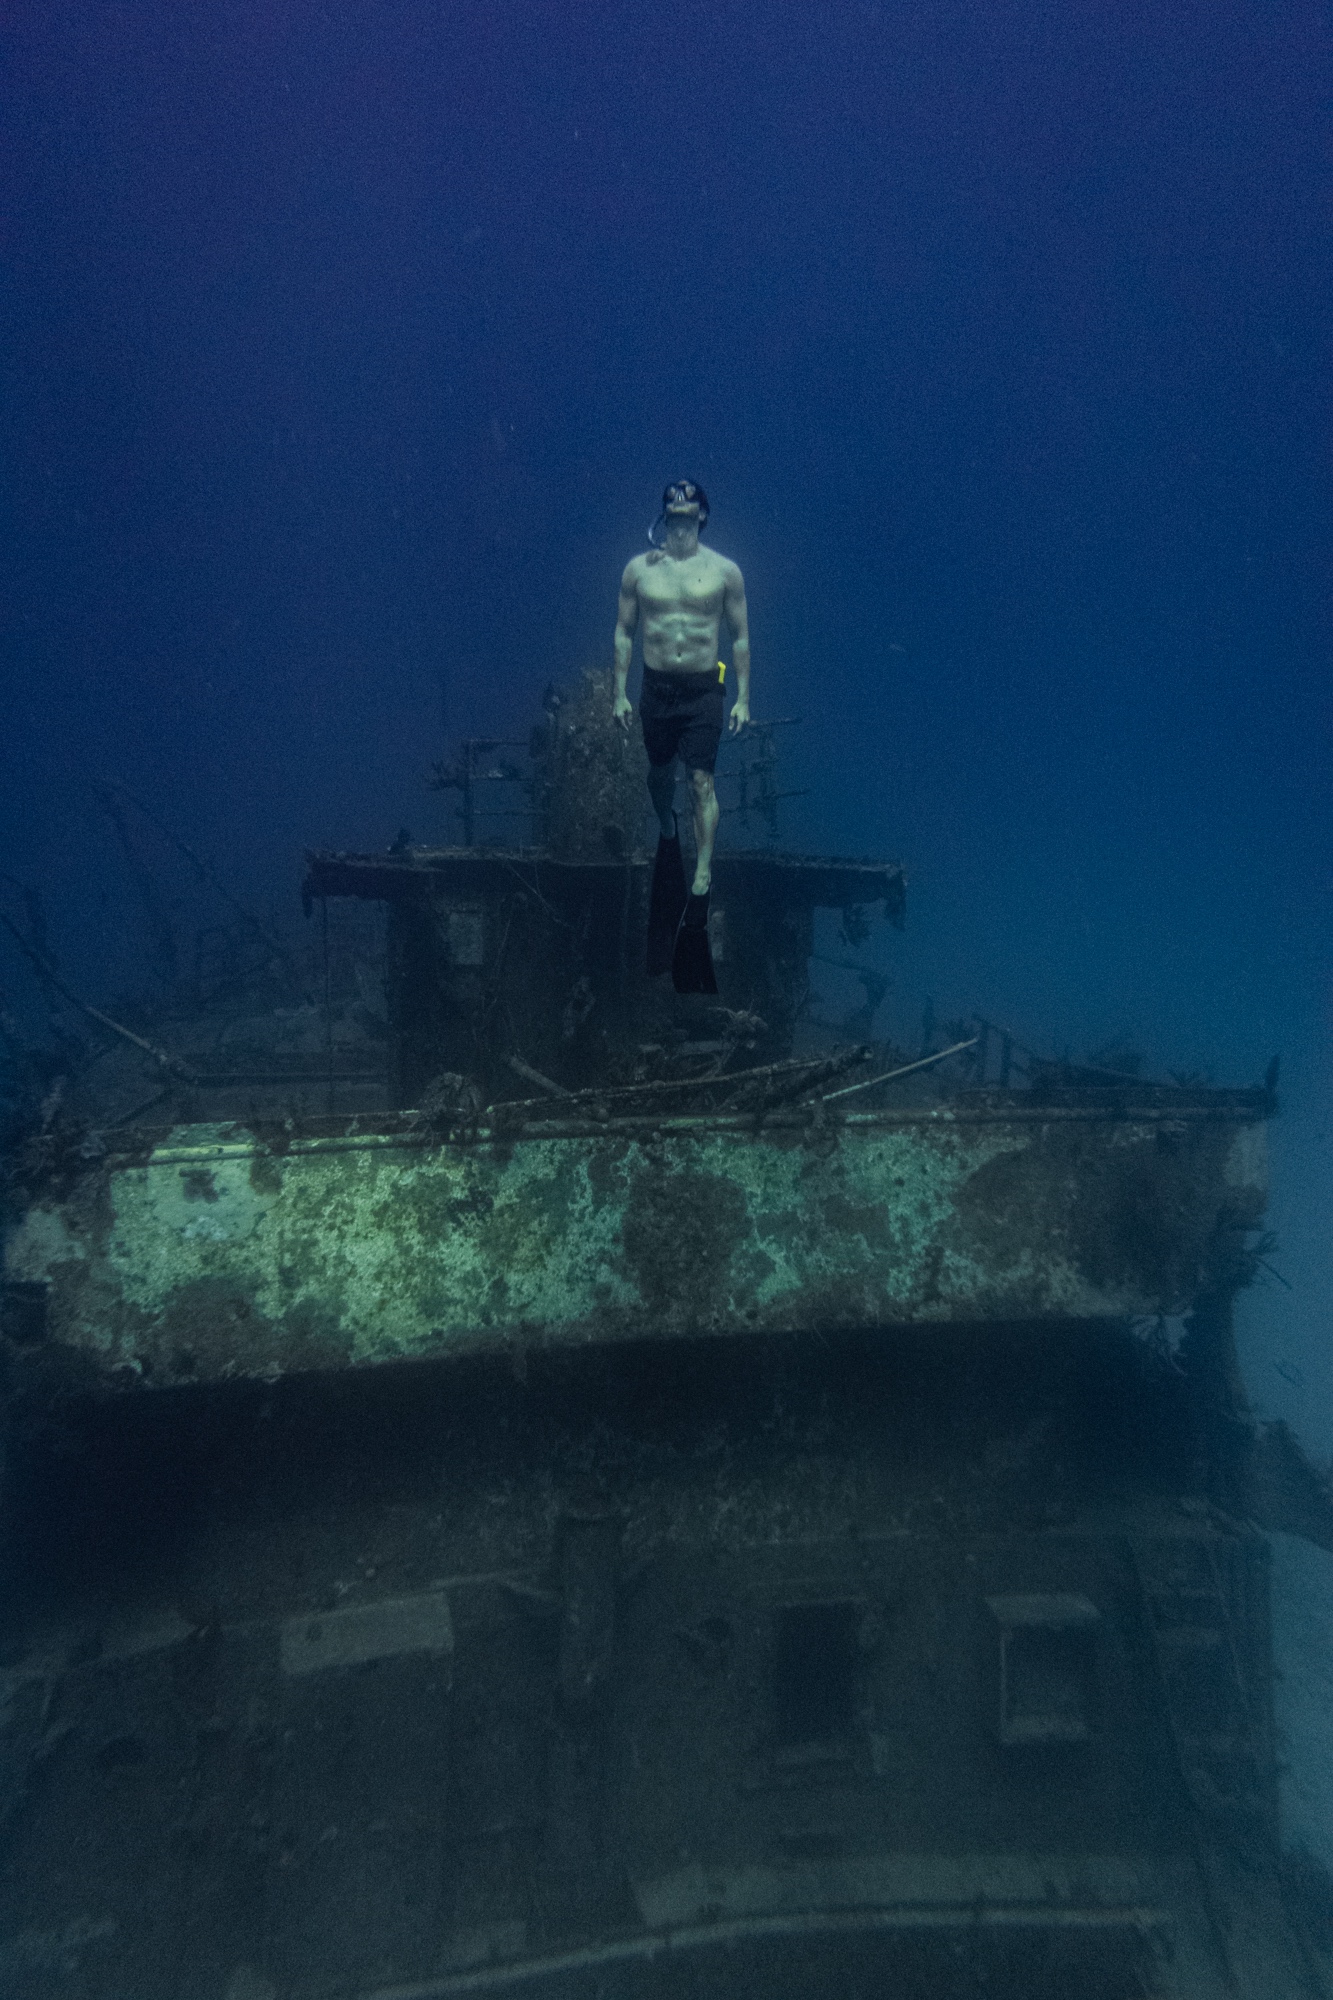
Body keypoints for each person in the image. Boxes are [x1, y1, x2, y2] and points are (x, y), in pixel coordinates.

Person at [612, 481, 751, 990]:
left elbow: (739, 635)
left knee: (700, 782)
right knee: (658, 776)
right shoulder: (637, 570)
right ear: (663, 518)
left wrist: (742, 697)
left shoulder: (724, 572)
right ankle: (668, 831)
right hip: (656, 690)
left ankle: (702, 874)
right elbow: (624, 630)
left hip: (702, 692)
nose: (680, 522)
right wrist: (618, 694)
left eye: (689, 515)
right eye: (672, 515)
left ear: (703, 519)